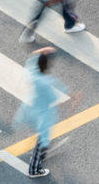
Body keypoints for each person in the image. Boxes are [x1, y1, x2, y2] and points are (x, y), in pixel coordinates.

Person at [15, 47, 74, 178]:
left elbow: (32, 55)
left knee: (42, 138)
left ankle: (38, 155)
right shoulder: (46, 82)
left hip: (30, 110)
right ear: (47, 65)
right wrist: (73, 100)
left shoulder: (34, 73)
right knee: (43, 140)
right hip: (42, 115)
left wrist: (44, 50)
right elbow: (58, 101)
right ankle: (34, 169)